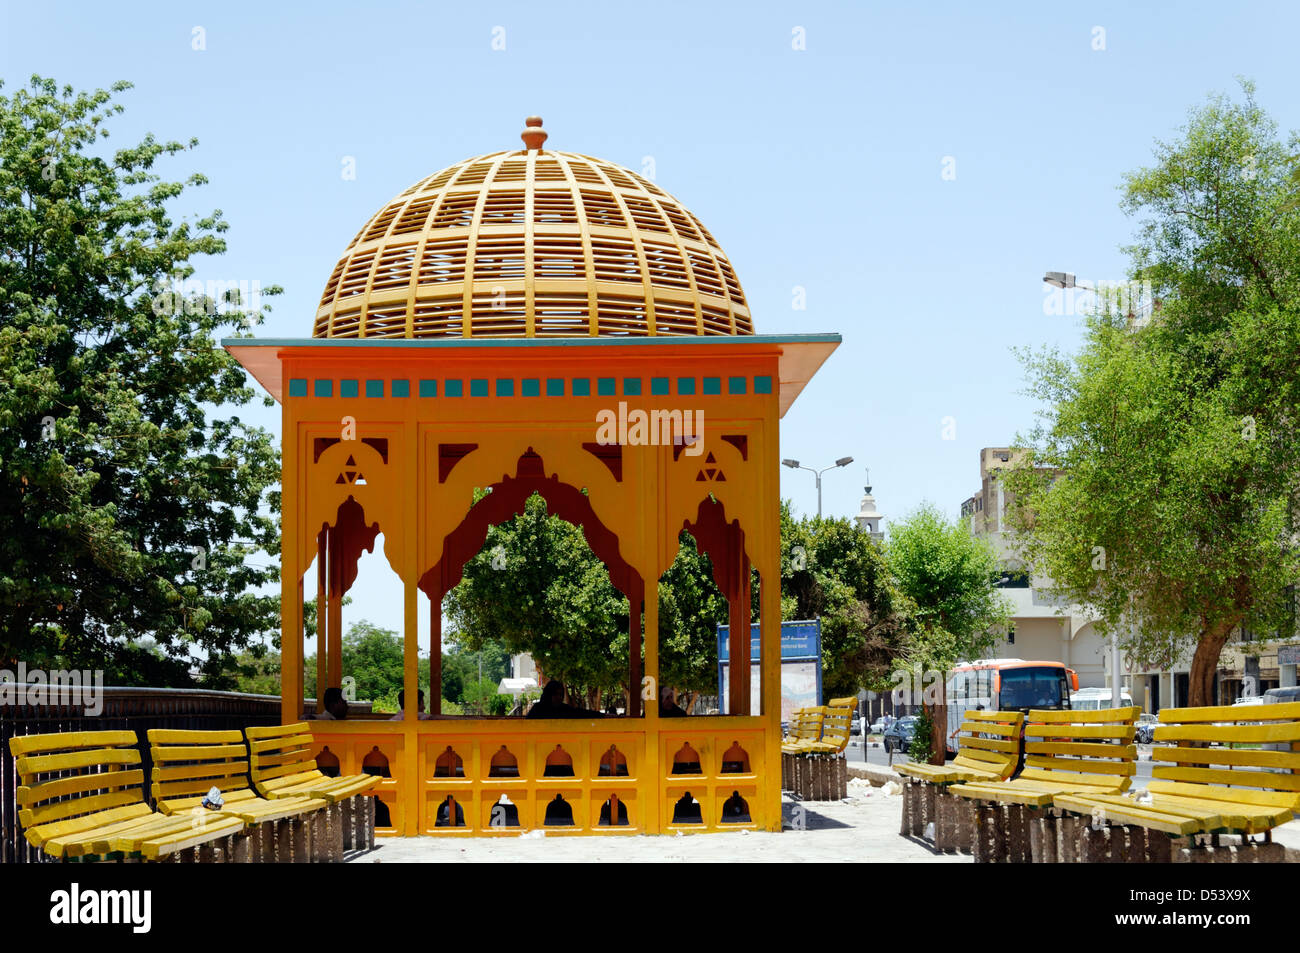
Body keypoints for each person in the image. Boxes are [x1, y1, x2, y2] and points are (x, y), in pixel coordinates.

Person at [526, 680, 602, 719]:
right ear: (549, 694)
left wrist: (602, 715)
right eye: (556, 694)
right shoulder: (537, 709)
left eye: (561, 695)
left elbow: (580, 713)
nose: (559, 697)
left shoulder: (563, 709)